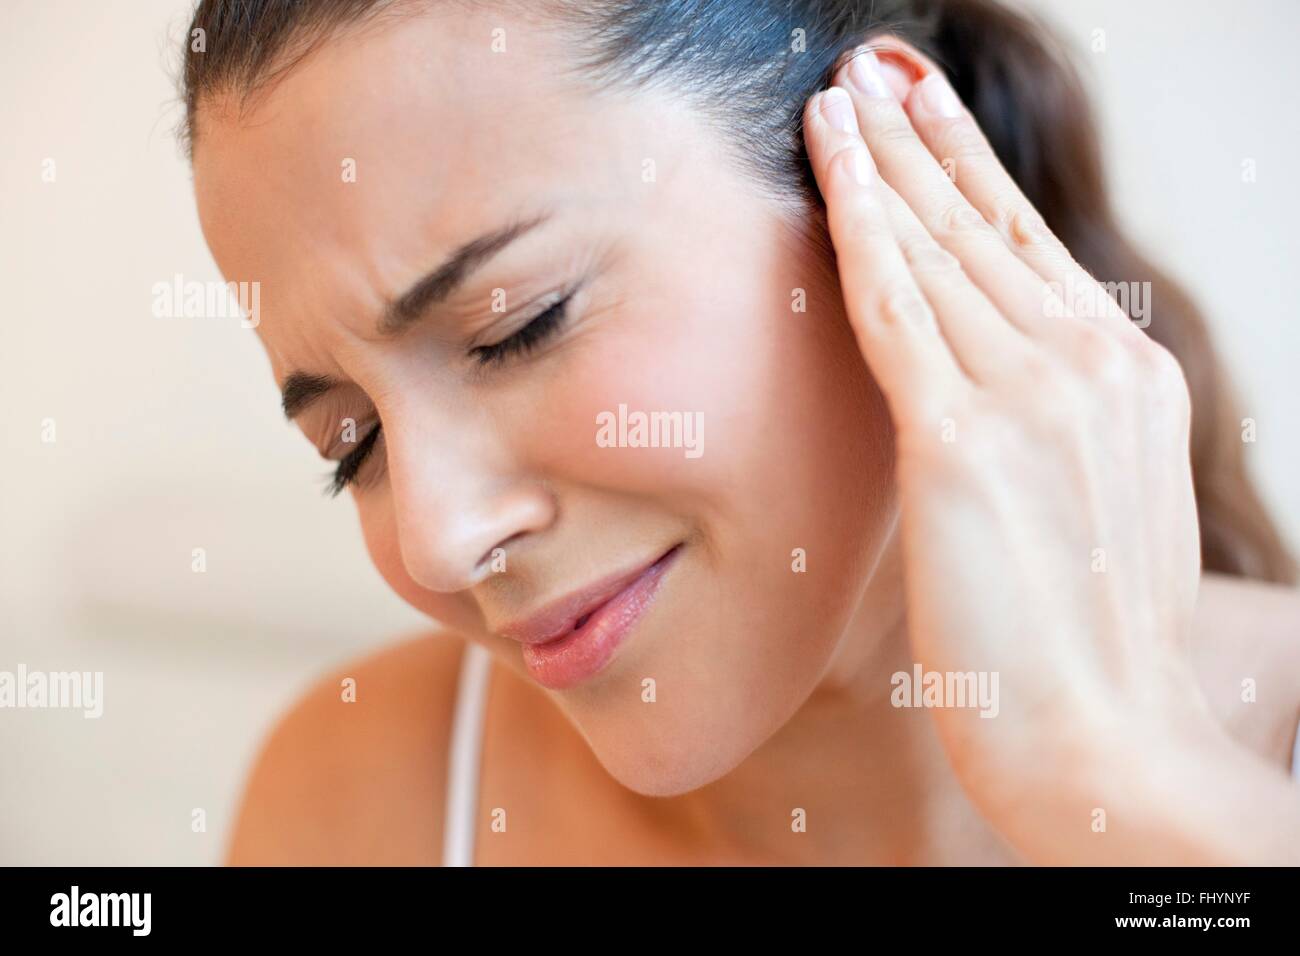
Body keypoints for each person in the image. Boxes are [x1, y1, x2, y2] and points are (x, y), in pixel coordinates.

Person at [178, 0, 1300, 865]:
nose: (437, 538)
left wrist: (1123, 778)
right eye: (353, 444)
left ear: (887, 164)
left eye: (516, 325)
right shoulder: (358, 796)